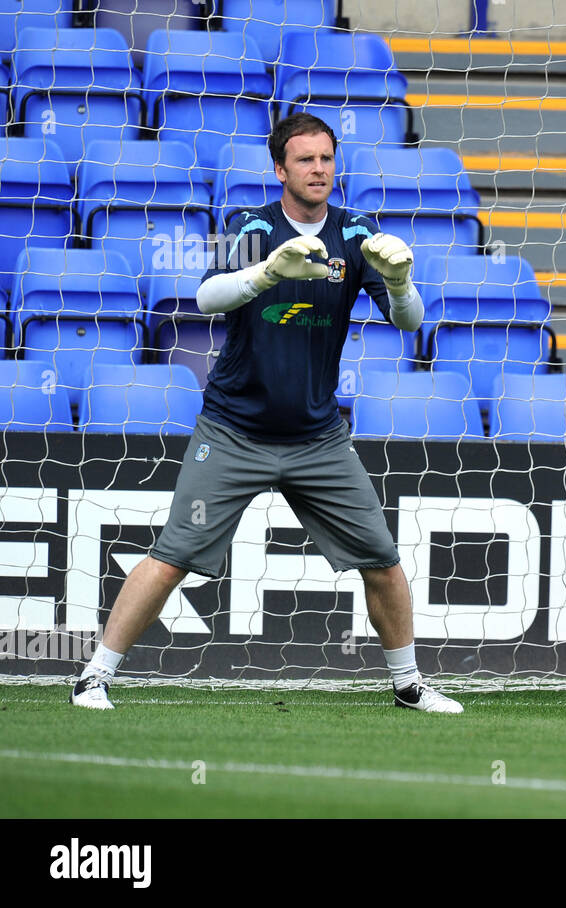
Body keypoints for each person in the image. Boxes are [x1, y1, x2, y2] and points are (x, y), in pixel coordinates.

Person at [70, 113, 463, 714]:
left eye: (327, 159)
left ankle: (408, 683)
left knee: (382, 561)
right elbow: (205, 298)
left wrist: (402, 281)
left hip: (318, 439)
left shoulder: (358, 235)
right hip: (234, 431)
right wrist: (267, 272)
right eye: (305, 160)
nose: (319, 170)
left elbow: (408, 323)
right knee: (174, 554)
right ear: (280, 169)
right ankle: (95, 675)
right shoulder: (253, 228)